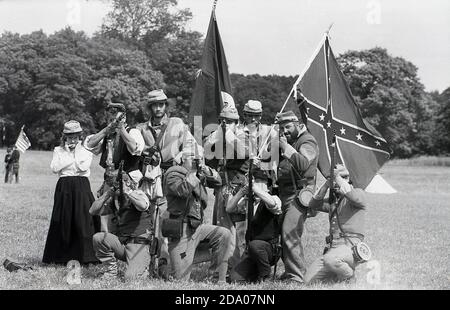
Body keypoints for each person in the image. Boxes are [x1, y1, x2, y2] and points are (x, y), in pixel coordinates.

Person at [135, 89, 199, 276]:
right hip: (149, 179)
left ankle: (164, 266)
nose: (158, 108)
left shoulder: (177, 124)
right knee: (146, 223)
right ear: (150, 108)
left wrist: (180, 155)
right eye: (154, 105)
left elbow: (192, 146)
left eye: (161, 104)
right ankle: (146, 264)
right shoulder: (141, 129)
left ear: (166, 106)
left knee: (165, 224)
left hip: (170, 178)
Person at [163, 150, 233, 283]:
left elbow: (218, 182)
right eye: (193, 158)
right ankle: (165, 264)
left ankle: (218, 280)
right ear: (183, 160)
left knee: (224, 234)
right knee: (180, 280)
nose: (196, 161)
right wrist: (194, 173)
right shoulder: (173, 173)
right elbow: (182, 190)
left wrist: (205, 169)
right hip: (182, 229)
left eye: (199, 158)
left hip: (197, 228)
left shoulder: (198, 174)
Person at [42, 120, 100, 264]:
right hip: (64, 186)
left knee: (83, 219)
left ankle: (87, 256)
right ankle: (60, 256)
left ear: (80, 136)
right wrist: (68, 153)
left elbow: (82, 166)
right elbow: (55, 168)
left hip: (81, 186)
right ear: (64, 137)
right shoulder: (58, 150)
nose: (72, 140)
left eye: (75, 136)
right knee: (63, 219)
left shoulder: (86, 150)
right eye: (69, 136)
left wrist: (72, 156)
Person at [203, 93, 249, 269]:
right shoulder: (218, 134)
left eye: (229, 121)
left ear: (236, 122)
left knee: (238, 231)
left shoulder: (244, 135)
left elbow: (243, 152)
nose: (226, 124)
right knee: (221, 228)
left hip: (238, 188)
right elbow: (206, 150)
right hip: (222, 187)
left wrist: (227, 133)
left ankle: (236, 267)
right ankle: (222, 266)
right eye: (223, 120)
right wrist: (218, 134)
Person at [84, 102, 145, 232]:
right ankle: (108, 246)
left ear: (124, 118)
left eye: (116, 118)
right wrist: (107, 130)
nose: (114, 121)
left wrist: (121, 128)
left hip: (128, 181)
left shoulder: (133, 131)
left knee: (127, 215)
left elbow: (135, 148)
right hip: (110, 181)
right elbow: (89, 144)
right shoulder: (107, 133)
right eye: (111, 119)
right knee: (105, 220)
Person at [304, 165, 369, 284]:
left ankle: (349, 276)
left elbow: (353, 196)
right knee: (308, 280)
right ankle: (337, 278)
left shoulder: (359, 193)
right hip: (333, 248)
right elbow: (313, 204)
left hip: (350, 247)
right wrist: (326, 184)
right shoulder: (333, 202)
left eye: (344, 177)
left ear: (349, 179)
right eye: (336, 178)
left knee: (331, 259)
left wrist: (337, 177)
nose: (338, 181)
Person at [275, 110, 319, 283]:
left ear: (299, 125)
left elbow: (302, 164)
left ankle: (296, 277)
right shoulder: (293, 140)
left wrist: (285, 146)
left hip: (299, 194)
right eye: (282, 128)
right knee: (284, 232)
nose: (284, 131)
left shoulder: (307, 141)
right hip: (286, 193)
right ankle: (291, 270)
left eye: (287, 127)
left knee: (290, 232)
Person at [90, 170, 155, 280]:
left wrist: (127, 192)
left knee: (131, 278)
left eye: (118, 184)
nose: (116, 187)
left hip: (138, 244)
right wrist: (108, 194)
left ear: (128, 183)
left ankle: (147, 268)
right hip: (123, 243)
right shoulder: (115, 200)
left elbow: (143, 205)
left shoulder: (139, 194)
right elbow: (93, 211)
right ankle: (111, 271)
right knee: (99, 238)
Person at [228, 177, 282, 283]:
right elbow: (229, 208)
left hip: (269, 249)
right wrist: (242, 191)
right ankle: (256, 274)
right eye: (254, 184)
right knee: (235, 278)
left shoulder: (273, 198)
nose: (255, 187)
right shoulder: (249, 202)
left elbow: (272, 204)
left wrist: (254, 188)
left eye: (259, 184)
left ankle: (266, 274)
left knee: (255, 245)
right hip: (252, 251)